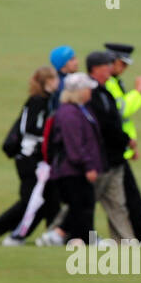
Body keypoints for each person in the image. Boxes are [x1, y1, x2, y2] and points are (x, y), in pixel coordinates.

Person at [0, 66, 60, 245]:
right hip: (28, 159)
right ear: (47, 82)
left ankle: (53, 235)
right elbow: (27, 128)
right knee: (29, 202)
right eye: (54, 79)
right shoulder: (37, 100)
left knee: (48, 200)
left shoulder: (46, 100)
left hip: (36, 159)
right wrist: (49, 133)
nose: (57, 82)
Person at [38, 73, 104, 246]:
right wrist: (88, 165)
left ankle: (64, 237)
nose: (90, 91)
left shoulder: (81, 109)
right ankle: (80, 240)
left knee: (83, 205)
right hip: (71, 170)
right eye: (87, 88)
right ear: (79, 91)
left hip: (76, 168)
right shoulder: (69, 113)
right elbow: (75, 145)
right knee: (81, 205)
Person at [105, 42, 141, 240]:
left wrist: (130, 143)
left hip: (120, 148)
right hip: (110, 152)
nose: (125, 68)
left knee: (123, 199)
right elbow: (121, 112)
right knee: (125, 199)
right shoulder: (108, 84)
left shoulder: (115, 82)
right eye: (122, 64)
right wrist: (138, 92)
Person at [86, 50, 134, 241]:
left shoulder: (105, 91)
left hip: (114, 156)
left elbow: (114, 122)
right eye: (106, 65)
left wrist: (125, 141)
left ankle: (126, 242)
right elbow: (104, 126)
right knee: (86, 201)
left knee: (117, 204)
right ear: (95, 69)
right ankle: (58, 232)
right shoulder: (92, 94)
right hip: (99, 158)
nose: (109, 69)